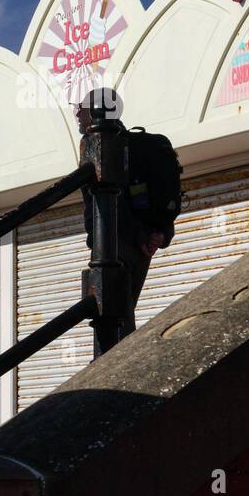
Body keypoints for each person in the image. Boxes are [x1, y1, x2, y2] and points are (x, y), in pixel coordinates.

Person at [75, 88, 174, 334]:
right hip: (142, 245)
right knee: (121, 314)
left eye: (82, 107)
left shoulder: (96, 143)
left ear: (99, 111)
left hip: (115, 242)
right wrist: (157, 233)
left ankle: (116, 368)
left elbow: (103, 205)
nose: (77, 113)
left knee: (113, 319)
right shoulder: (135, 144)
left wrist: (99, 242)